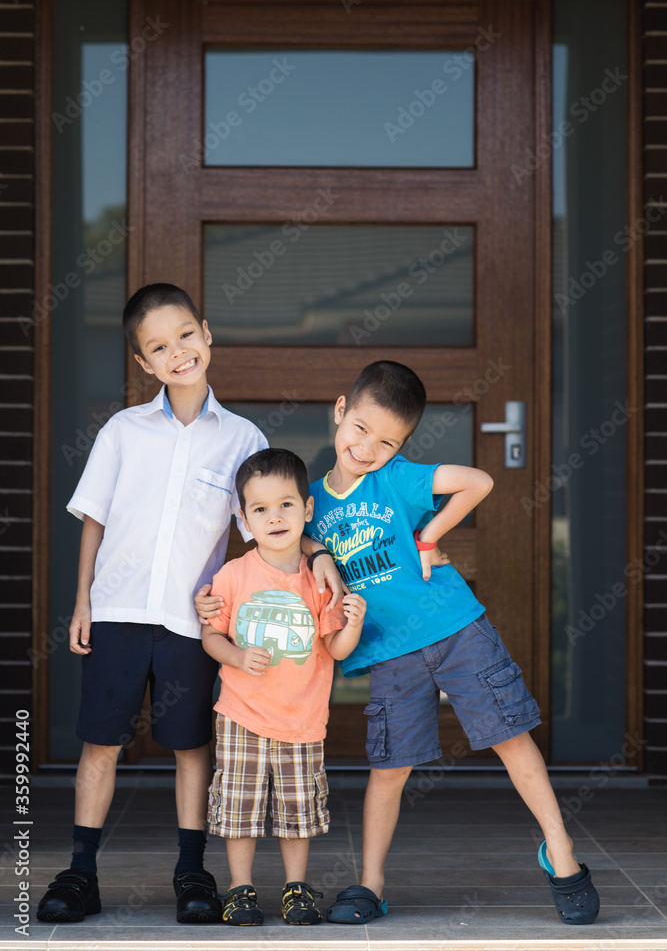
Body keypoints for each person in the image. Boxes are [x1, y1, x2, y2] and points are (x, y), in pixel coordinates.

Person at [198, 360, 600, 928]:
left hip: (457, 629)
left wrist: (430, 534)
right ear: (340, 412)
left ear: (402, 446)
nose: (367, 448)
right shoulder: (305, 501)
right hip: (388, 651)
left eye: (387, 441)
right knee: (391, 766)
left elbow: (478, 483)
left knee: (510, 736)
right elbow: (283, 543)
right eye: (360, 429)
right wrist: (221, 599)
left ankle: (562, 856)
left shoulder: (400, 479)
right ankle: (371, 884)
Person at [36, 283, 340, 926]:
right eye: (158, 347)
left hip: (189, 622)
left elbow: (268, 517)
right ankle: (81, 872)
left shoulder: (240, 437)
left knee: (191, 745)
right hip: (118, 611)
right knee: (99, 742)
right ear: (143, 364)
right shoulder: (123, 431)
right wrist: (83, 601)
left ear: (206, 334)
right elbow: (93, 519)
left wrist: (317, 554)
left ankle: (192, 870)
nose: (176, 352)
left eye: (184, 336)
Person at [201, 448, 366, 927]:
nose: (274, 517)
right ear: (245, 519)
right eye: (260, 509)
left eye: (286, 505)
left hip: (301, 719)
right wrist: (234, 655)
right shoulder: (233, 575)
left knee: (298, 810)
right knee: (238, 807)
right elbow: (211, 634)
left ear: (308, 509)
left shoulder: (319, 580)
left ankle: (297, 889)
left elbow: (335, 648)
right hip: (241, 714)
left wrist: (353, 623)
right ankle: (240, 889)